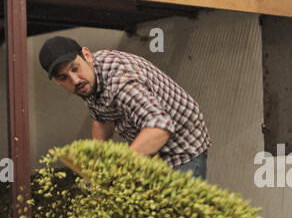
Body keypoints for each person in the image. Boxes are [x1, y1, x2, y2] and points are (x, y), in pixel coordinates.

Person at [38, 36, 210, 179]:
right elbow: (102, 119)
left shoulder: (120, 81)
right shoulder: (89, 82)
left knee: (176, 216)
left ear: (87, 55)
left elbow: (160, 127)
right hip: (152, 151)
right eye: (63, 78)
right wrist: (96, 165)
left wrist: (120, 168)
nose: (74, 80)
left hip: (181, 147)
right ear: (56, 81)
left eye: (75, 69)